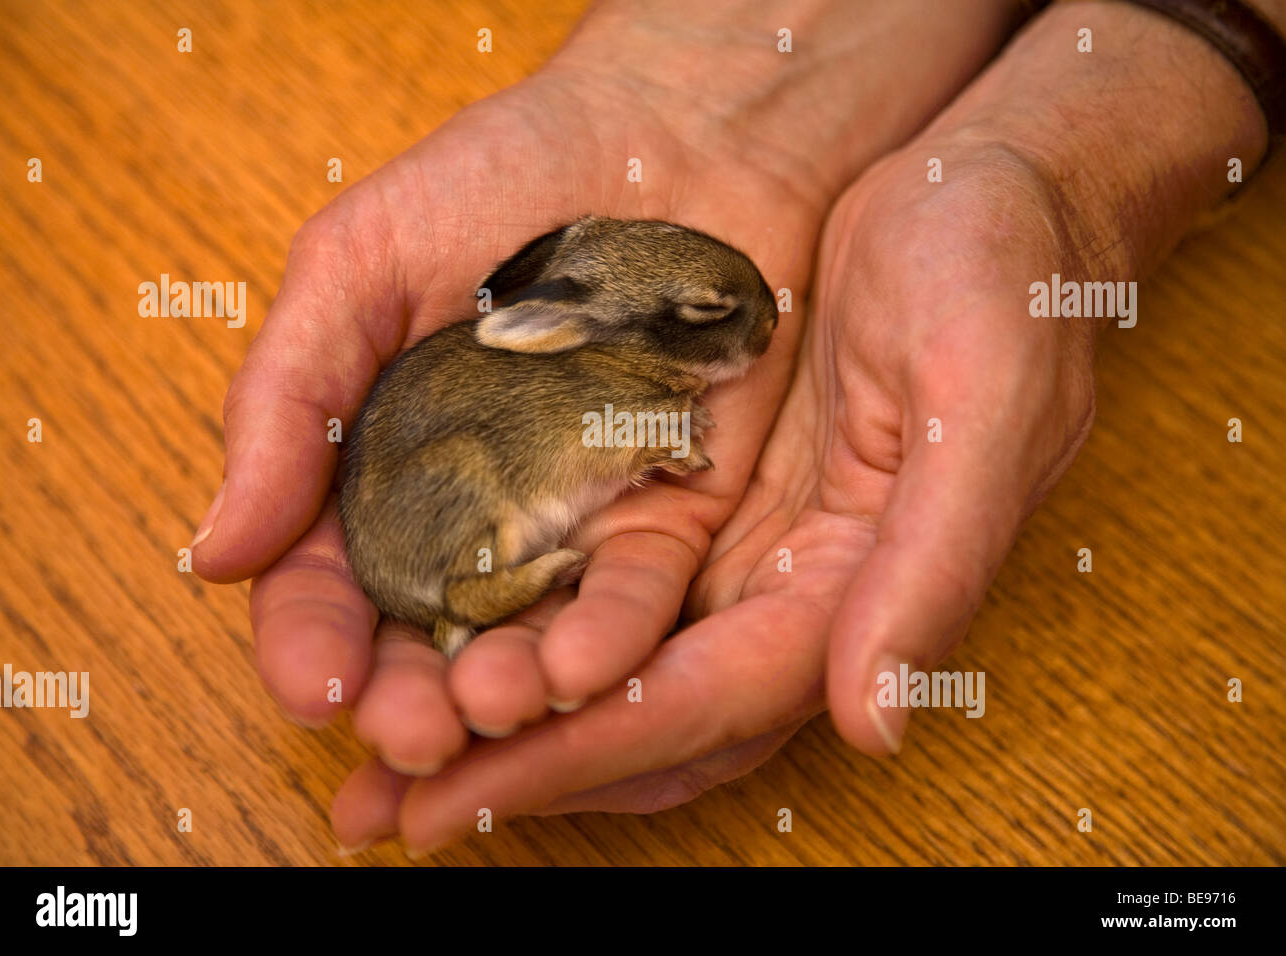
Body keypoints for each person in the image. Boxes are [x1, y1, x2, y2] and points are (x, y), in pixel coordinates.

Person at [190, 0, 1283, 856]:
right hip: (442, 510)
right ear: (569, 327)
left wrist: (1072, 173)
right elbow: (602, 434)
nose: (758, 333)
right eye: (714, 319)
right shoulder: (579, 382)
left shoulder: (609, 365)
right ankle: (471, 590)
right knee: (474, 488)